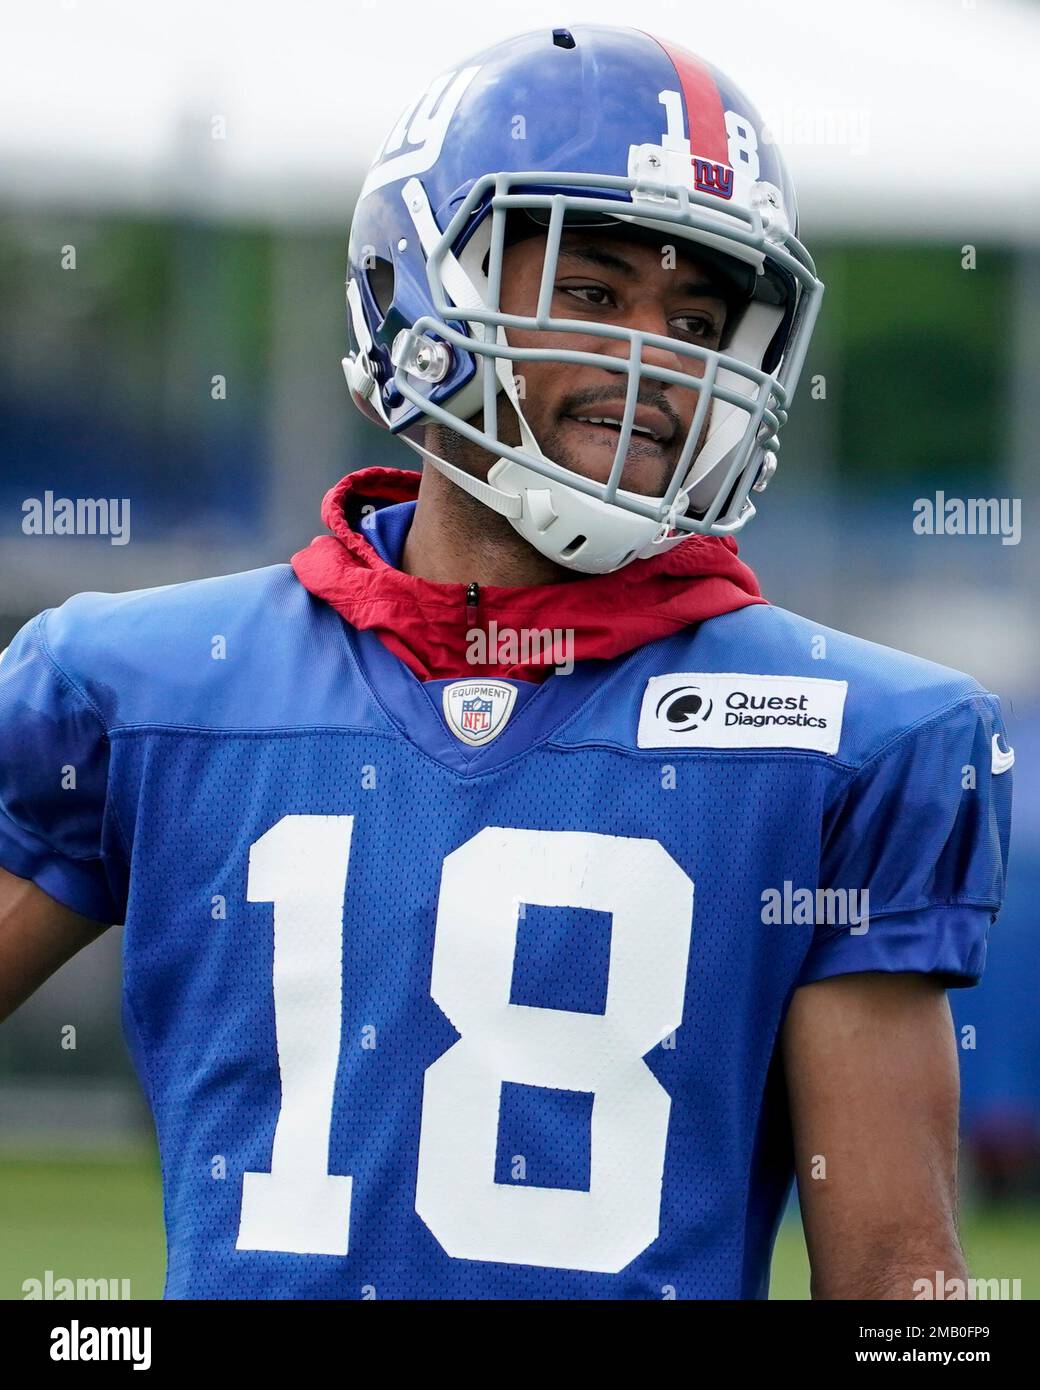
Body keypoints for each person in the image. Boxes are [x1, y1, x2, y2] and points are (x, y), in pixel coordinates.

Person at [0, 24, 1012, 1299]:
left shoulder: (851, 741)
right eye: (590, 294)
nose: (655, 357)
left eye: (696, 317)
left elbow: (896, 1286)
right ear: (417, 285)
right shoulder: (139, 686)